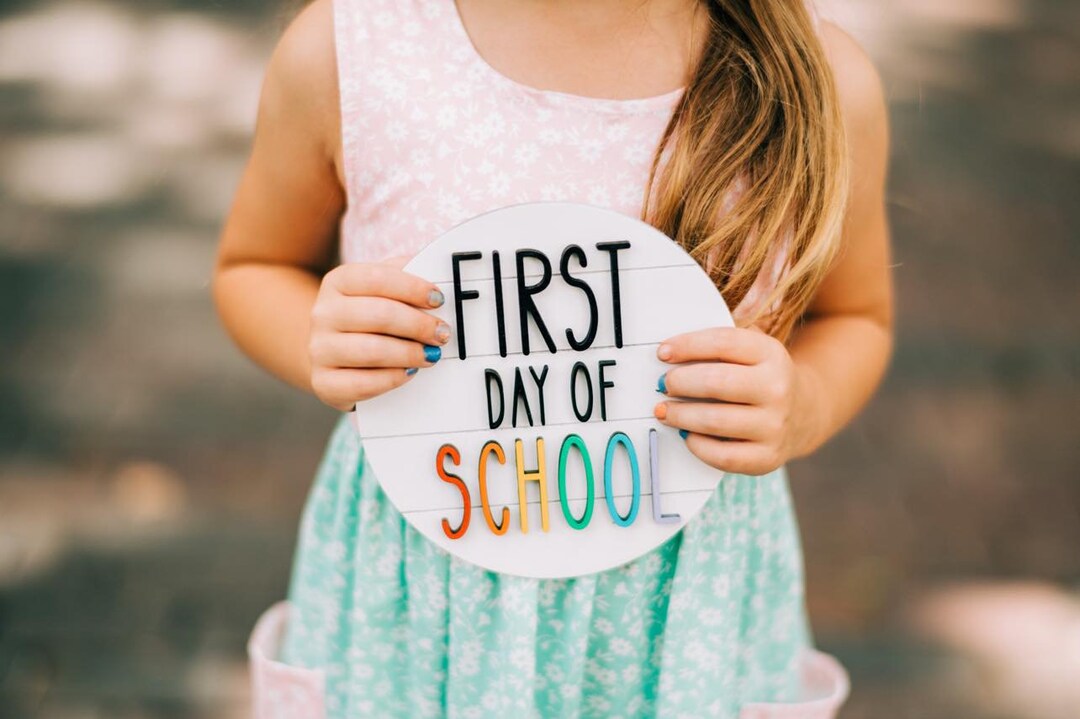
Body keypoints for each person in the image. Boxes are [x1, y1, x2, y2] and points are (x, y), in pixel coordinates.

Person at [214, 0, 892, 716]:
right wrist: (318, 339)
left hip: (685, 610)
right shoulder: (349, 50)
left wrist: (804, 404)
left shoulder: (821, 79)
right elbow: (255, 264)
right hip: (423, 600)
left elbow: (855, 315)